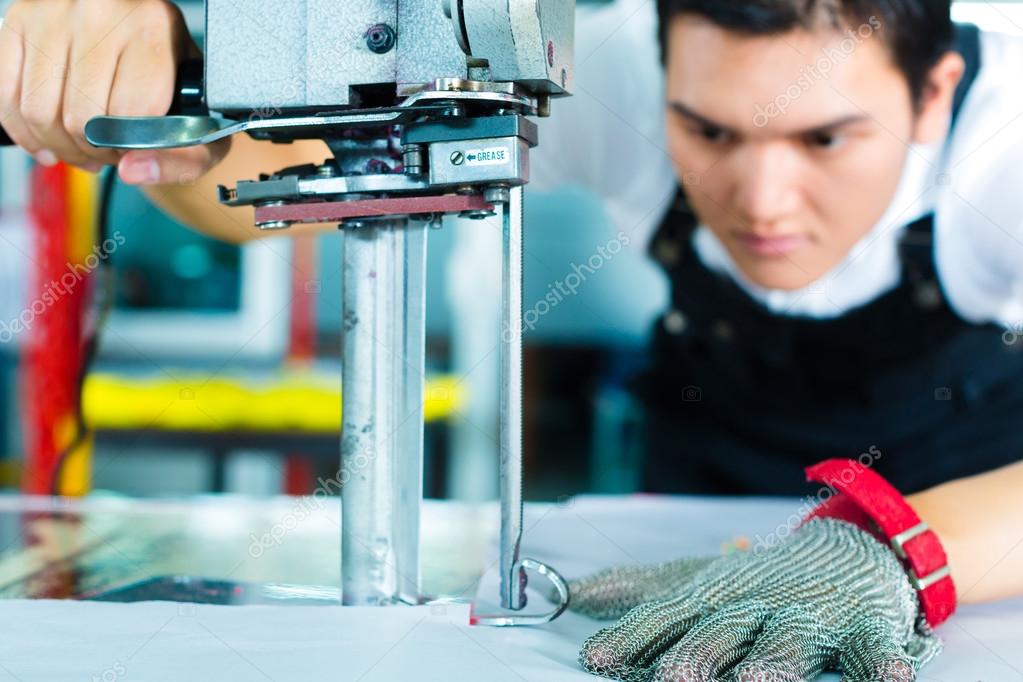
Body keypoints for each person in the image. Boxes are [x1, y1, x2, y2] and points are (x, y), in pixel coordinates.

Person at [1, 0, 1021, 679]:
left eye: (823, 139)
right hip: (700, 491)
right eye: (708, 133)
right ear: (659, 72)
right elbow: (267, 182)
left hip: (975, 521)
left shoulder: (1006, 142)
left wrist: (893, 548)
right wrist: (158, 90)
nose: (761, 199)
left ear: (931, 94)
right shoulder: (610, 69)